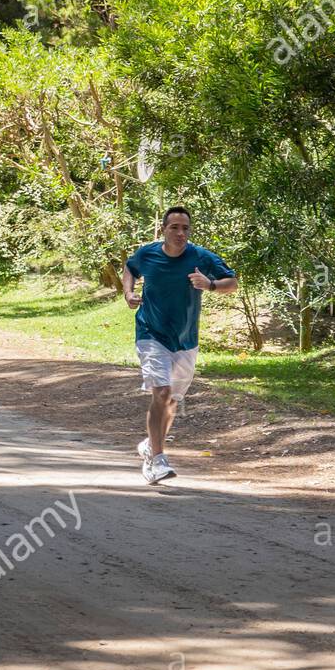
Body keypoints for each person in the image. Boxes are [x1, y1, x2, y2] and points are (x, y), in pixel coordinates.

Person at [122, 206, 238, 483]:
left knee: (173, 399)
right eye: (174, 227)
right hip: (151, 332)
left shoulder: (200, 256)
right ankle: (156, 461)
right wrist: (128, 292)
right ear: (163, 229)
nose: (180, 233)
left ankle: (152, 444)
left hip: (186, 339)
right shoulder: (147, 254)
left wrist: (209, 284)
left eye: (185, 228)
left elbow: (232, 283)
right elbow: (130, 268)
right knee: (160, 392)